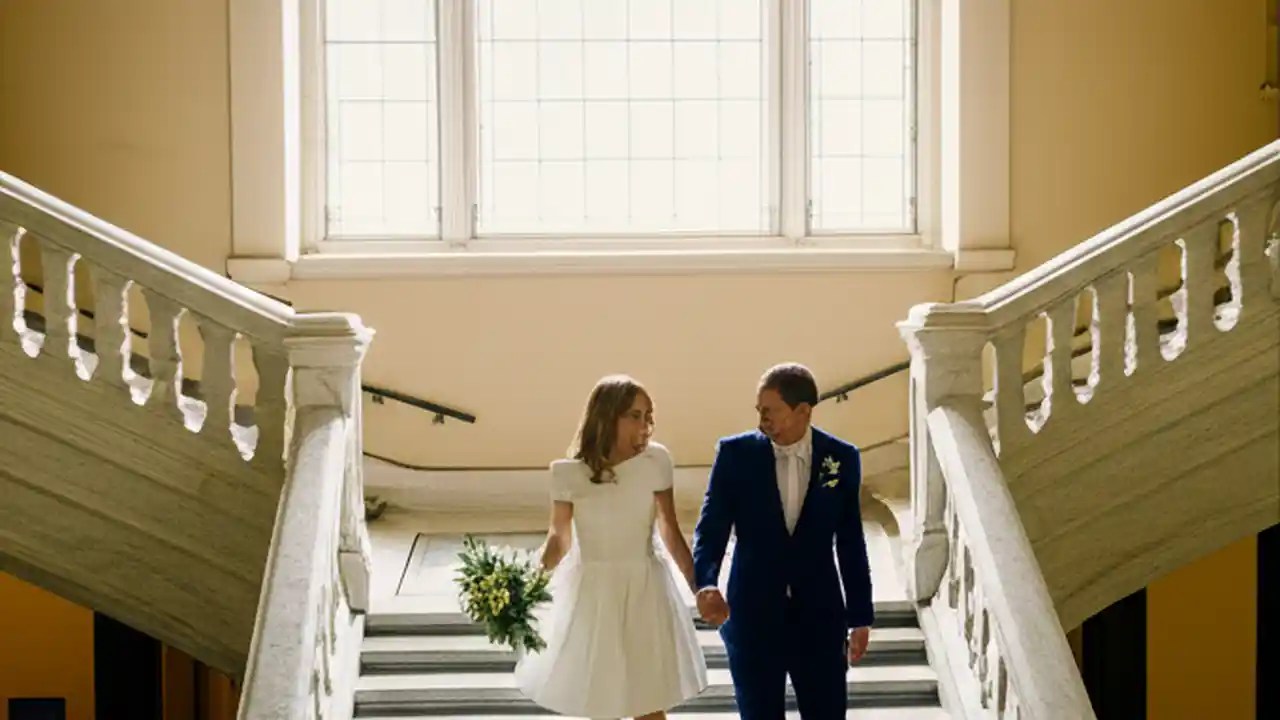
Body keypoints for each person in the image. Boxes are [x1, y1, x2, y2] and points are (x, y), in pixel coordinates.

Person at [514, 375, 708, 719]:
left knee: (647, 704)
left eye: (649, 416)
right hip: (593, 592)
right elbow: (559, 538)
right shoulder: (567, 473)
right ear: (607, 416)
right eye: (635, 415)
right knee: (601, 700)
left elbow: (669, 529)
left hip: (644, 590)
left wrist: (699, 585)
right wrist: (527, 585)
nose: (645, 425)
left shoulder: (656, 462)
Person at [692, 362, 874, 719]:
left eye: (770, 411)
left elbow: (850, 539)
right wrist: (707, 582)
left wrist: (860, 617)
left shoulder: (842, 458)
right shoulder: (735, 455)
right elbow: (712, 526)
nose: (762, 420)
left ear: (803, 411)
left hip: (820, 618)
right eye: (759, 411)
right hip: (752, 616)